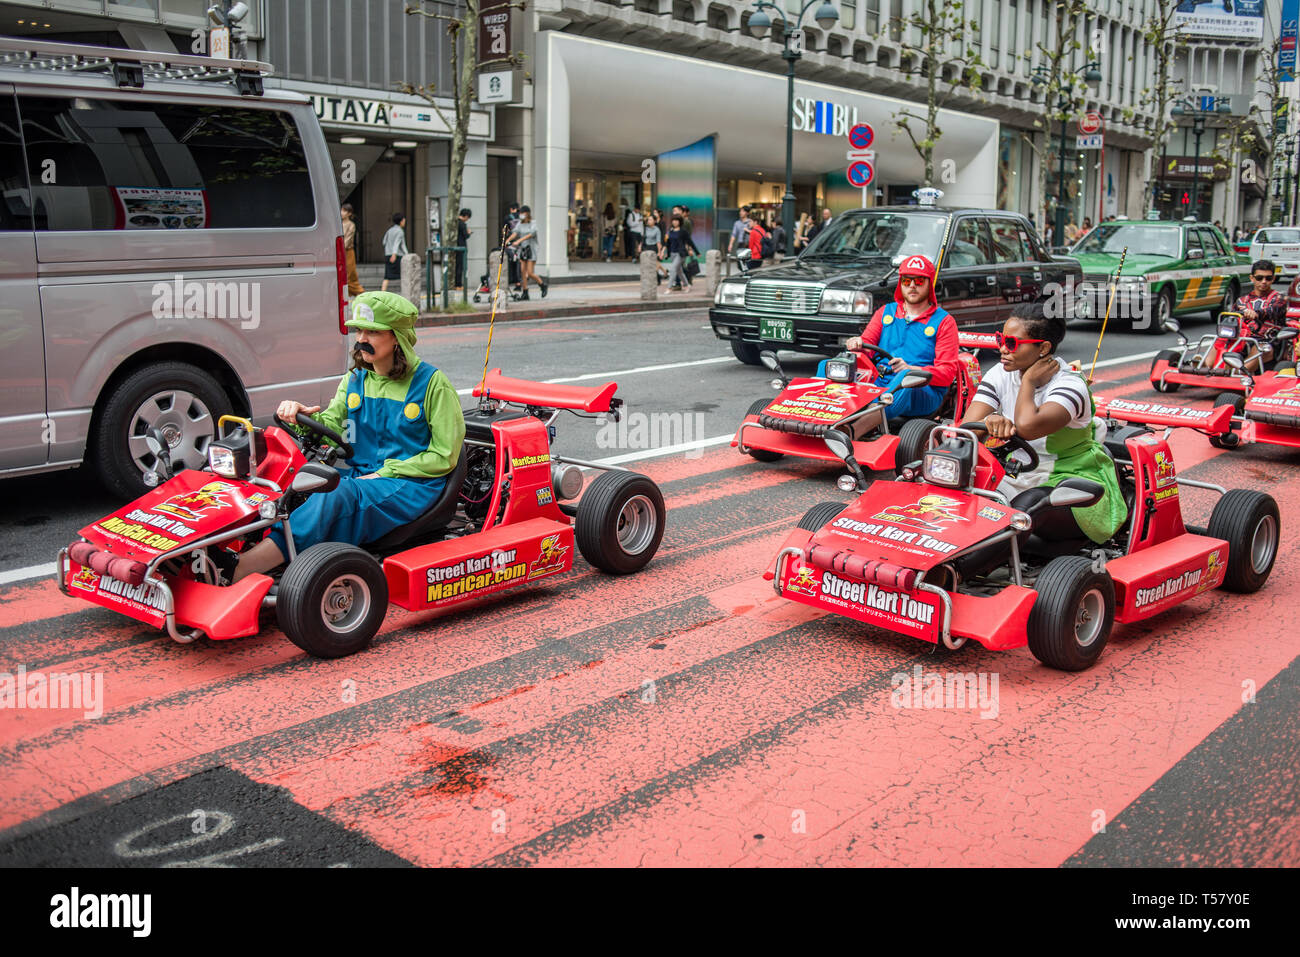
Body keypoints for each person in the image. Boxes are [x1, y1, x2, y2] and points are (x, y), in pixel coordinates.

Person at [231, 292, 466, 583]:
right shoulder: (354, 380)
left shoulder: (432, 384)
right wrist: (303, 417)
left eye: (373, 332)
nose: (362, 338)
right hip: (363, 476)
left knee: (338, 495)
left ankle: (242, 568)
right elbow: (331, 427)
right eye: (359, 330)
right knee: (285, 480)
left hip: (412, 484)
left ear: (398, 338)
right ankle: (232, 543)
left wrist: (385, 472)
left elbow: (444, 455)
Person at [959, 304, 1126, 554]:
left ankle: (955, 574)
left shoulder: (1071, 385)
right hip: (1017, 474)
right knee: (958, 485)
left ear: (1044, 348)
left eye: (1012, 343)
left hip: (1073, 483)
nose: (1002, 349)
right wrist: (990, 422)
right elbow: (967, 432)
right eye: (1001, 339)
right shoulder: (1001, 373)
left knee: (1025, 506)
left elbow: (1027, 427)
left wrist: (1028, 382)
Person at [839, 255, 958, 420]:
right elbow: (866, 348)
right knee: (832, 365)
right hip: (880, 380)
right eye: (907, 281)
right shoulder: (886, 312)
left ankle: (850, 433)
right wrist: (856, 344)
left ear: (929, 284)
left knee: (905, 378)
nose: (913, 286)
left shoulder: (944, 321)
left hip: (924, 390)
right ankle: (808, 422)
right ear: (901, 284)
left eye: (919, 281)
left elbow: (947, 374)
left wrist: (910, 368)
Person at [1230, 259, 1289, 370]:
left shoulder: (1279, 299)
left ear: (1273, 279)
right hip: (1243, 338)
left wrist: (1255, 314)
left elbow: (1273, 311)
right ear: (1252, 278)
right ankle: (1203, 366)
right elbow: (1230, 318)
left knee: (1259, 347)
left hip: (1268, 342)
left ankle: (1242, 372)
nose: (1264, 281)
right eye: (1259, 278)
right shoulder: (1241, 301)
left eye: (1268, 278)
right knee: (1222, 341)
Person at [506, 205, 548, 299]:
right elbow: (515, 233)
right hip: (523, 250)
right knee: (522, 272)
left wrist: (518, 241)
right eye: (520, 213)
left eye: (522, 213)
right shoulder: (520, 224)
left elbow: (531, 234)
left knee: (529, 273)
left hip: (531, 250)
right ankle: (525, 292)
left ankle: (542, 285)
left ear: (527, 213)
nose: (521, 215)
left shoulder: (533, 223)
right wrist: (507, 240)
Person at [664, 214, 698, 293]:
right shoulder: (671, 231)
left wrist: (696, 252)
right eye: (673, 220)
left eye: (676, 221)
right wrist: (666, 252)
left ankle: (669, 288)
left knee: (673, 269)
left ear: (680, 222)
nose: (674, 222)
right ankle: (686, 285)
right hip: (672, 253)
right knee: (679, 271)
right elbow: (668, 243)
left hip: (681, 254)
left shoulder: (683, 231)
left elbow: (690, 242)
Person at [380, 212, 407, 292]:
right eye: (404, 220)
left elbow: (384, 242)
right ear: (401, 221)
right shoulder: (400, 231)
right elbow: (398, 243)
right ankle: (405, 292)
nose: (404, 222)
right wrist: (395, 254)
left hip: (388, 255)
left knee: (387, 276)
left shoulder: (389, 230)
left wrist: (389, 250)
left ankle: (382, 293)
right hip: (397, 256)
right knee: (404, 275)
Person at [341, 203, 364, 297]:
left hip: (348, 252)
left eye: (344, 211)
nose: (342, 212)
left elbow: (348, 239)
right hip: (340, 252)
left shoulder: (351, 224)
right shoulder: (338, 224)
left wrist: (340, 248)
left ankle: (360, 292)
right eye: (342, 210)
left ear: (349, 213)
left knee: (350, 274)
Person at [640, 211, 667, 283]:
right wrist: (640, 246)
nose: (649, 221)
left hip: (653, 247)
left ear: (655, 221)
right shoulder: (645, 228)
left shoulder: (657, 230)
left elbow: (658, 241)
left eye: (651, 220)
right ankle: (663, 274)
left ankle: (657, 278)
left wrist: (659, 251)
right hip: (646, 247)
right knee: (648, 264)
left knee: (654, 264)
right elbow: (643, 238)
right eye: (648, 220)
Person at [502, 202, 521, 290]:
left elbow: (504, 230)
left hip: (511, 243)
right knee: (519, 261)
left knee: (512, 260)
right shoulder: (522, 217)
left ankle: (512, 280)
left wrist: (506, 239)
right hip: (521, 242)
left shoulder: (507, 217)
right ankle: (518, 283)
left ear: (511, 209)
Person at [453, 208, 471, 291]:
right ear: (466, 216)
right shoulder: (463, 224)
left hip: (455, 247)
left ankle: (456, 284)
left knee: (456, 266)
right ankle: (458, 285)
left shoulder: (454, 222)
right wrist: (469, 233)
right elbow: (466, 236)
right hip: (462, 247)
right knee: (460, 266)